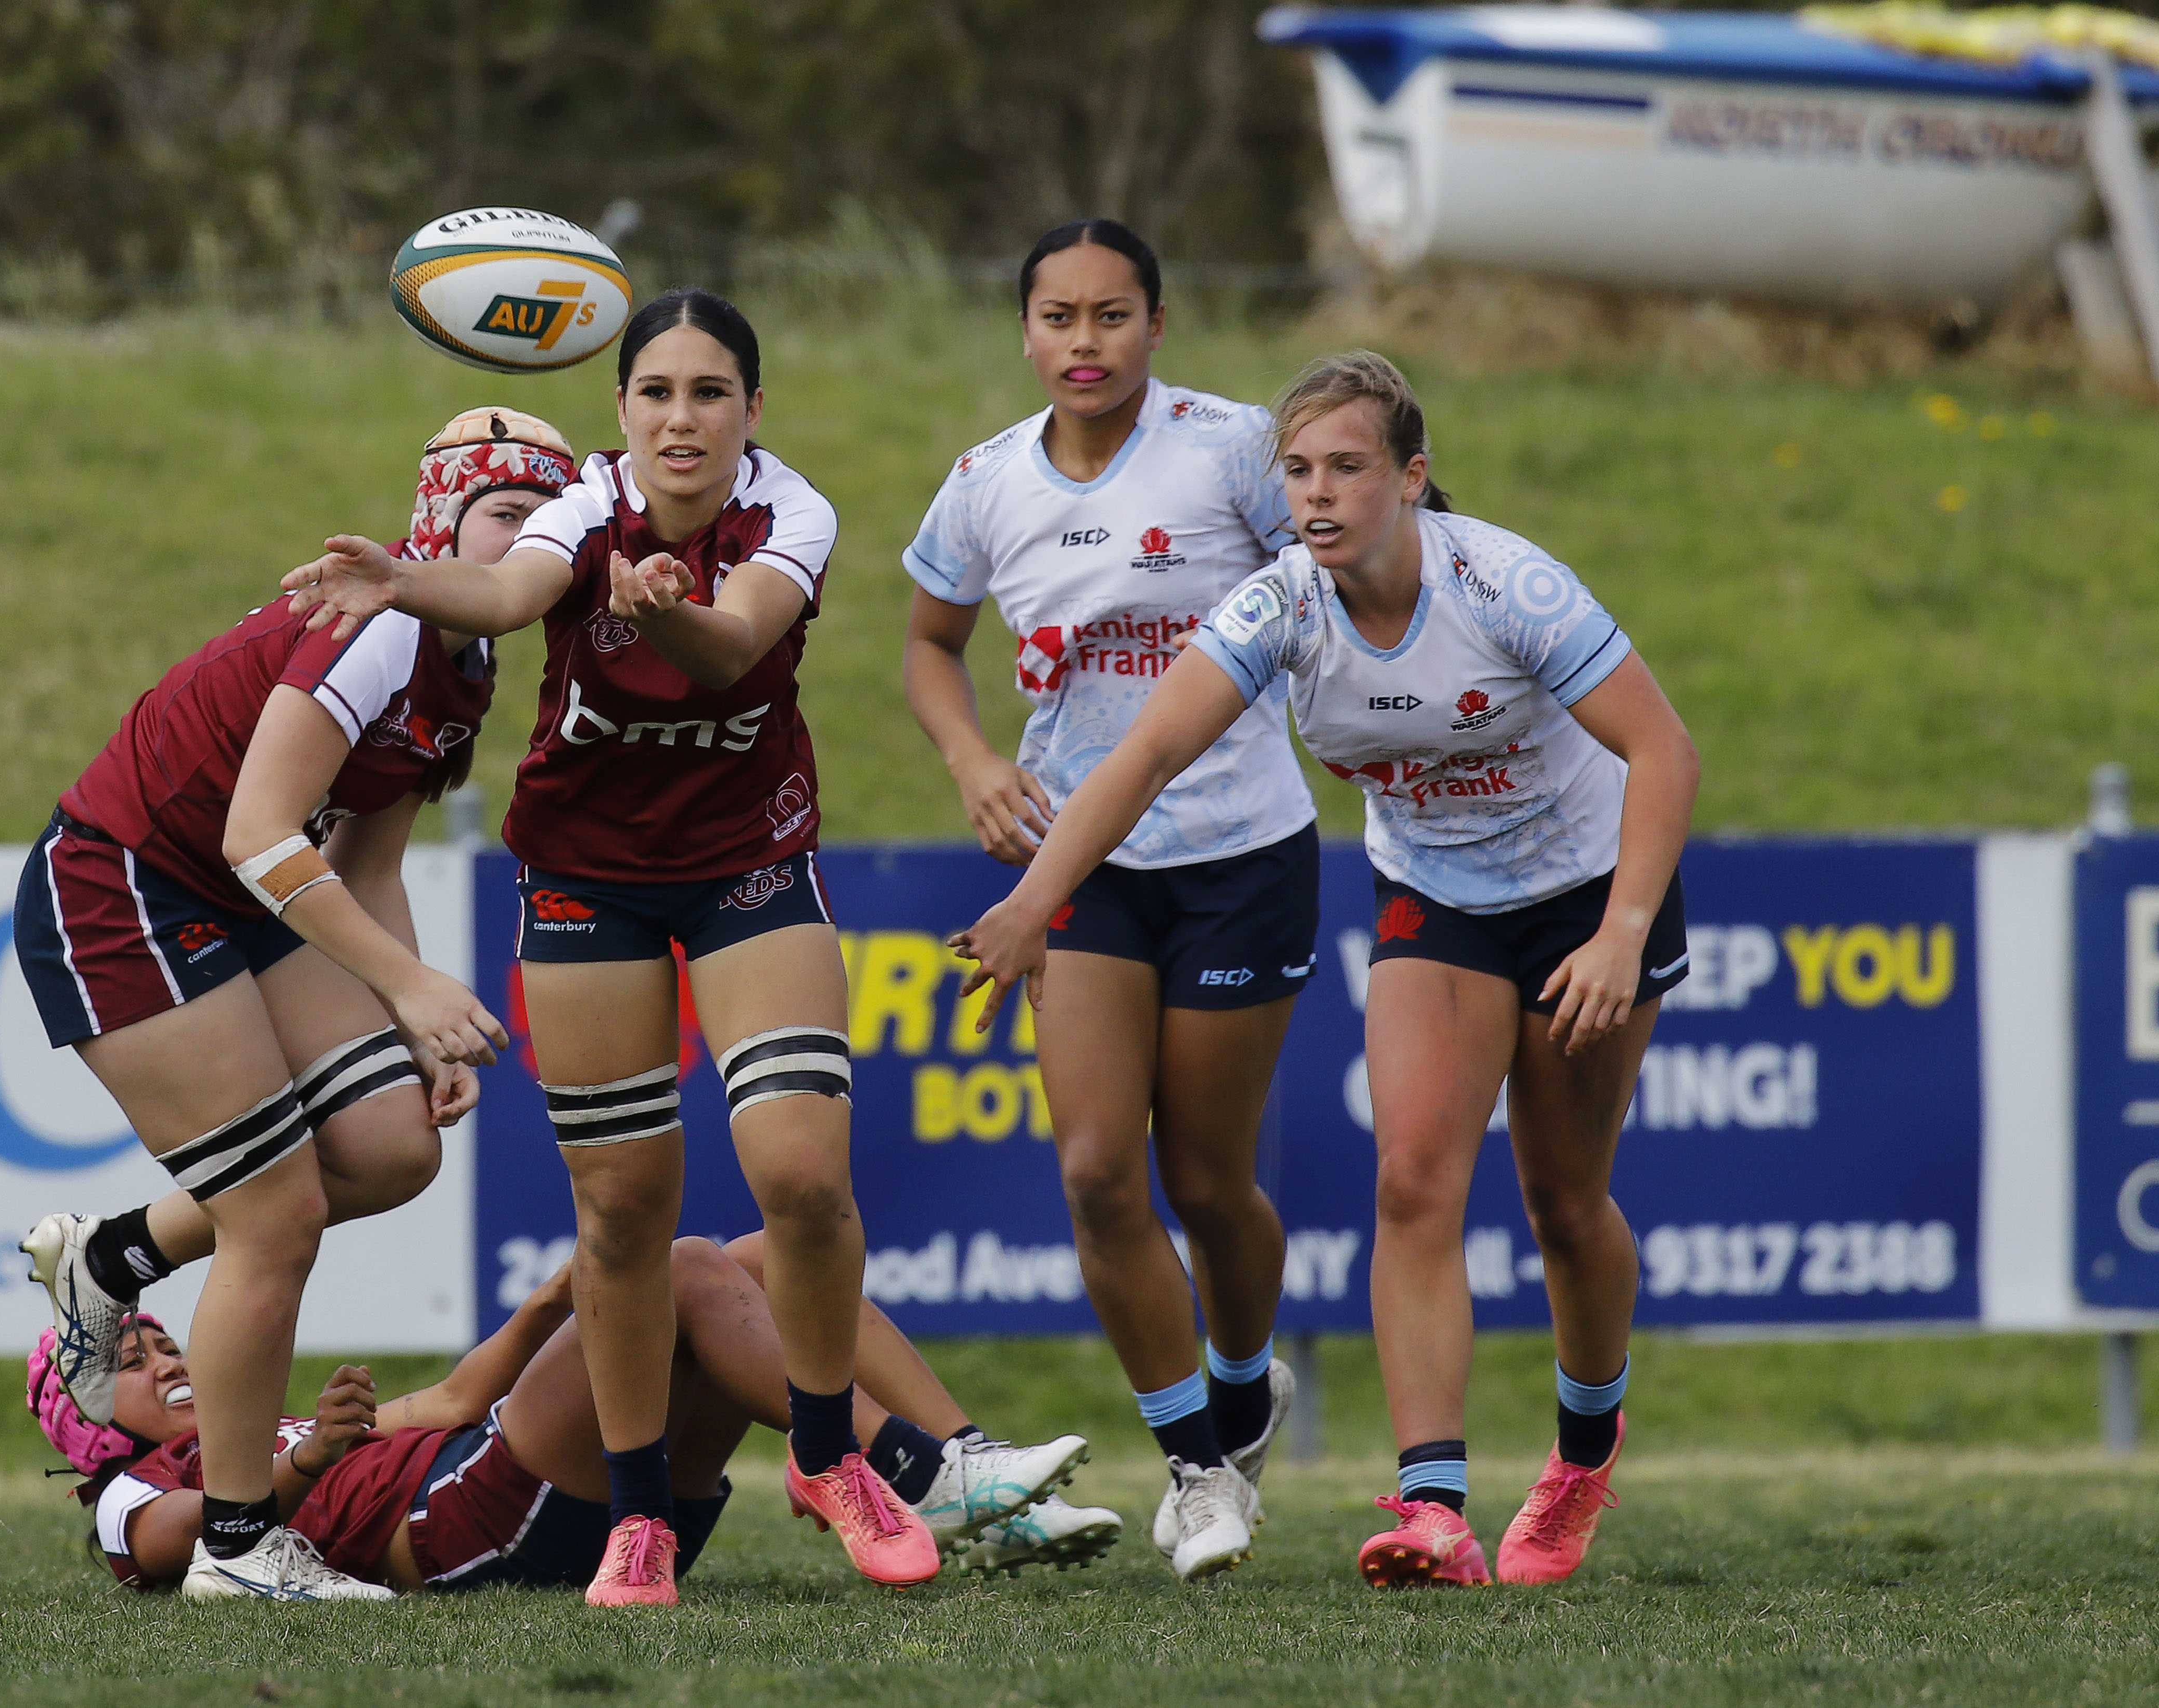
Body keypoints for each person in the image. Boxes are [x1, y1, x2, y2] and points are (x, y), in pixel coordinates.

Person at [951, 350, 1700, 1590]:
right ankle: (1433, 1508)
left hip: (1587, 892)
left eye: (1347, 467)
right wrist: (1035, 901)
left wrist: (1621, 933)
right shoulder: (1279, 604)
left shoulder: (1503, 583)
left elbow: (1662, 754)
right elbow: (1138, 759)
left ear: (1409, 479)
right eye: (1296, 470)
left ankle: (1577, 1456)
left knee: (1565, 1205)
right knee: (1411, 1182)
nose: (1316, 493)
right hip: (1438, 900)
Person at [281, 289, 912, 1605]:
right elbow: (509, 590)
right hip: (586, 878)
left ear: (751, 409)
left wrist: (667, 610)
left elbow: (733, 647)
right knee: (623, 1211)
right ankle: (636, 1521)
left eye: (709, 394)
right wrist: (403, 577)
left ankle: (821, 1455)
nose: (680, 419)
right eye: (655, 394)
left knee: (800, 1177)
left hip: (748, 865)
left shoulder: (789, 513)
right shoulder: (585, 505)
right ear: (620, 411)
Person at [9, 410, 572, 1598]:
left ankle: (112, 1259)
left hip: (243, 894)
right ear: (439, 527)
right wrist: (411, 987)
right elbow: (257, 832)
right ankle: (235, 1545)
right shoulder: (376, 628)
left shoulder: (464, 668)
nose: (527, 545)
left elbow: (363, 867)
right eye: (504, 517)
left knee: (390, 1146)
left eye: (548, 527)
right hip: (123, 884)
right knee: (277, 1216)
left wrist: (409, 1020)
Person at [898, 220, 1316, 1583]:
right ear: (1024, 333)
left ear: (1157, 325)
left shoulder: (1233, 447)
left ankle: (1247, 1383)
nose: (1086, 342)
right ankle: (1198, 1464)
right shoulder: (983, 483)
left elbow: (1334, 570)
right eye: (1060, 317)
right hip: (1075, 866)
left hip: (1241, 852)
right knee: (1092, 1167)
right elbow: (927, 642)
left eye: (1113, 315)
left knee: (1206, 1177)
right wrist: (970, 758)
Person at [30, 1235, 1119, 1598]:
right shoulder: (135, 1489)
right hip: (470, 1526)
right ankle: (913, 1471)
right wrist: (310, 1455)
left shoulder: (247, 1424)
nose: (164, 1354)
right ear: (85, 1424)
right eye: (131, 1359)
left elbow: (455, 1398)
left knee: (766, 1259)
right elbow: (179, 1548)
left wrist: (550, 1304)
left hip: (594, 1512)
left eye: (165, 1336)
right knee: (688, 1266)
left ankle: (974, 1480)